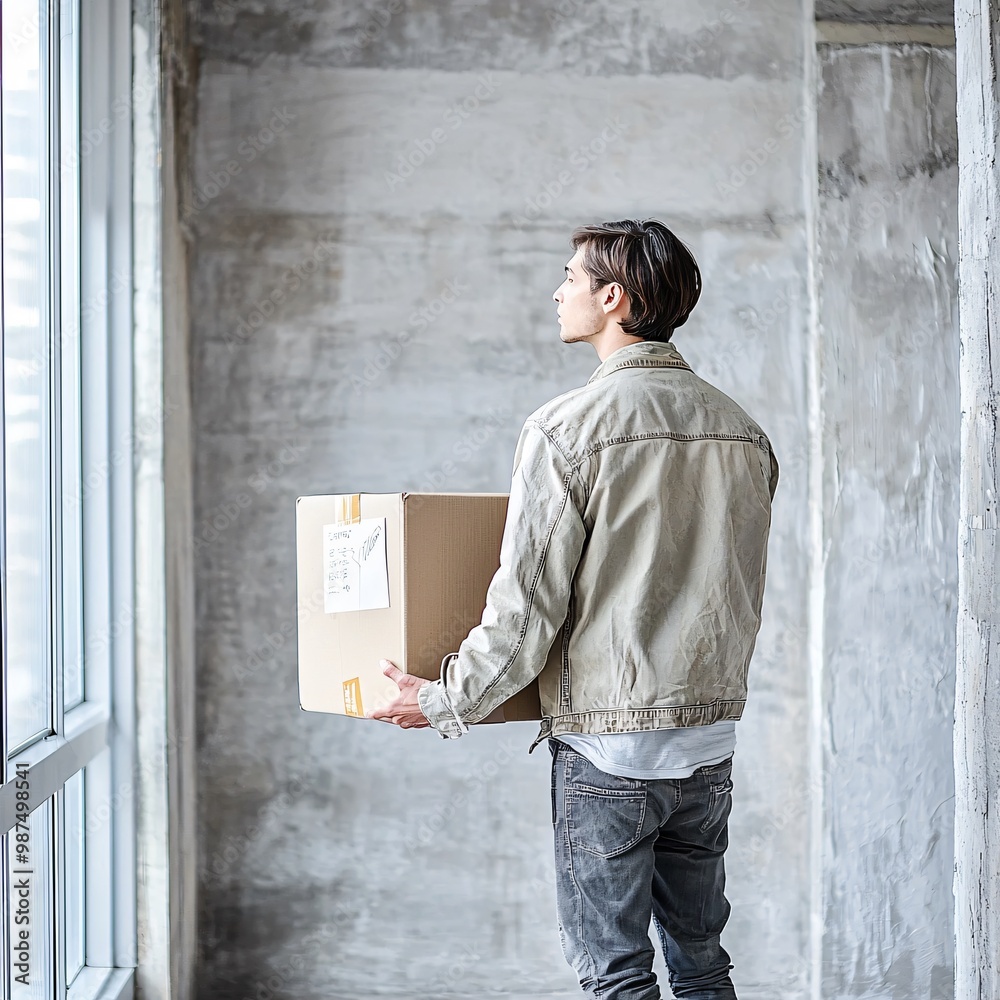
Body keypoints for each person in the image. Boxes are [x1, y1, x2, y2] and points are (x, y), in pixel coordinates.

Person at [368, 218, 779, 1000]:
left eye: (570, 278)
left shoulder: (565, 429)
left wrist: (444, 700)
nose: (558, 292)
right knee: (702, 964)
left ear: (613, 297)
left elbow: (526, 610)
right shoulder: (743, 432)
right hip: (708, 742)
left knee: (617, 976)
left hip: (609, 750)